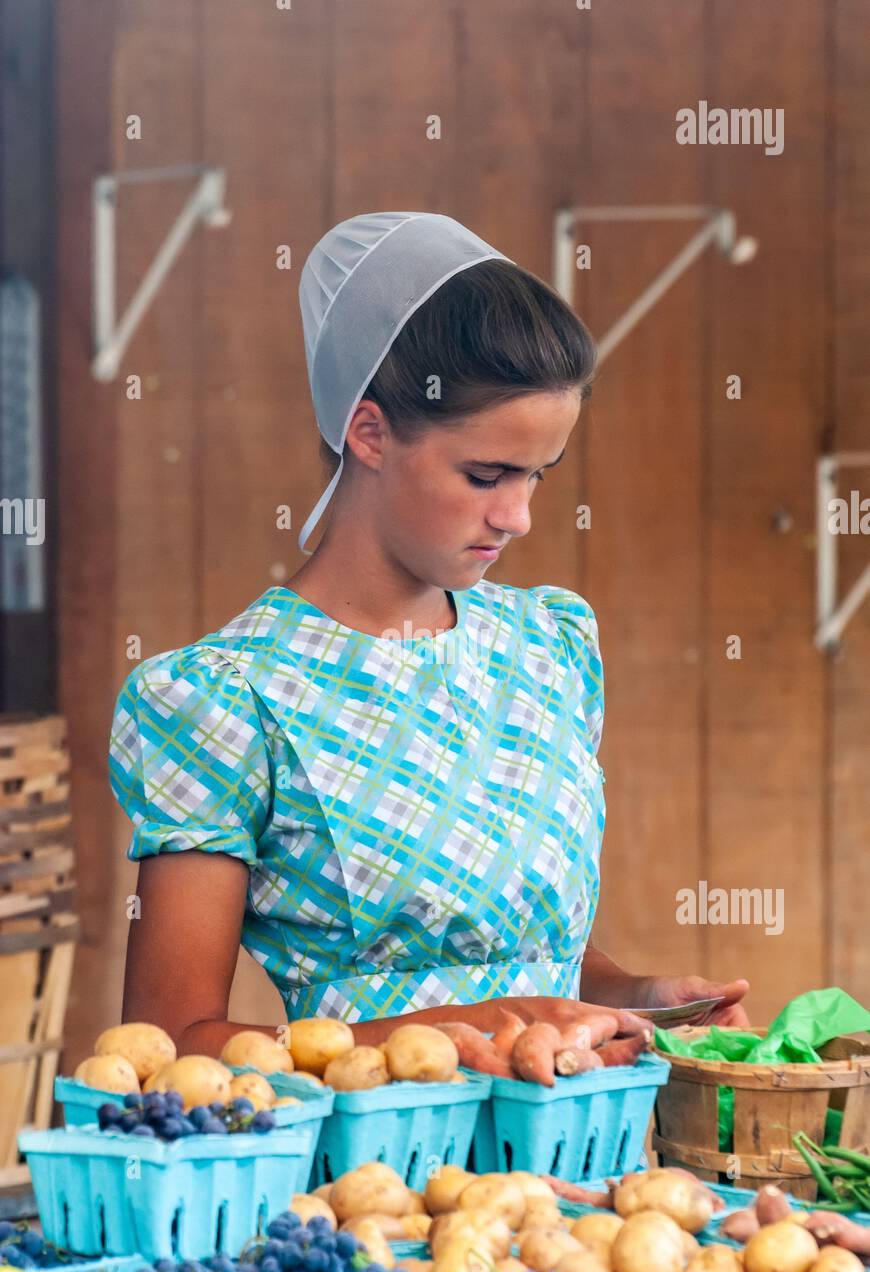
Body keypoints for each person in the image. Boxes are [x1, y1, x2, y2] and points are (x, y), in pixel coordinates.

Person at [108, 211, 749, 1056]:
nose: (516, 516)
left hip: (579, 1168)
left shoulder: (549, 646)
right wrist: (445, 1033)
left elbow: (507, 955)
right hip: (367, 1176)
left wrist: (637, 997)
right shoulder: (224, 701)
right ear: (368, 432)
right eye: (485, 474)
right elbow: (167, 1046)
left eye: (537, 476)